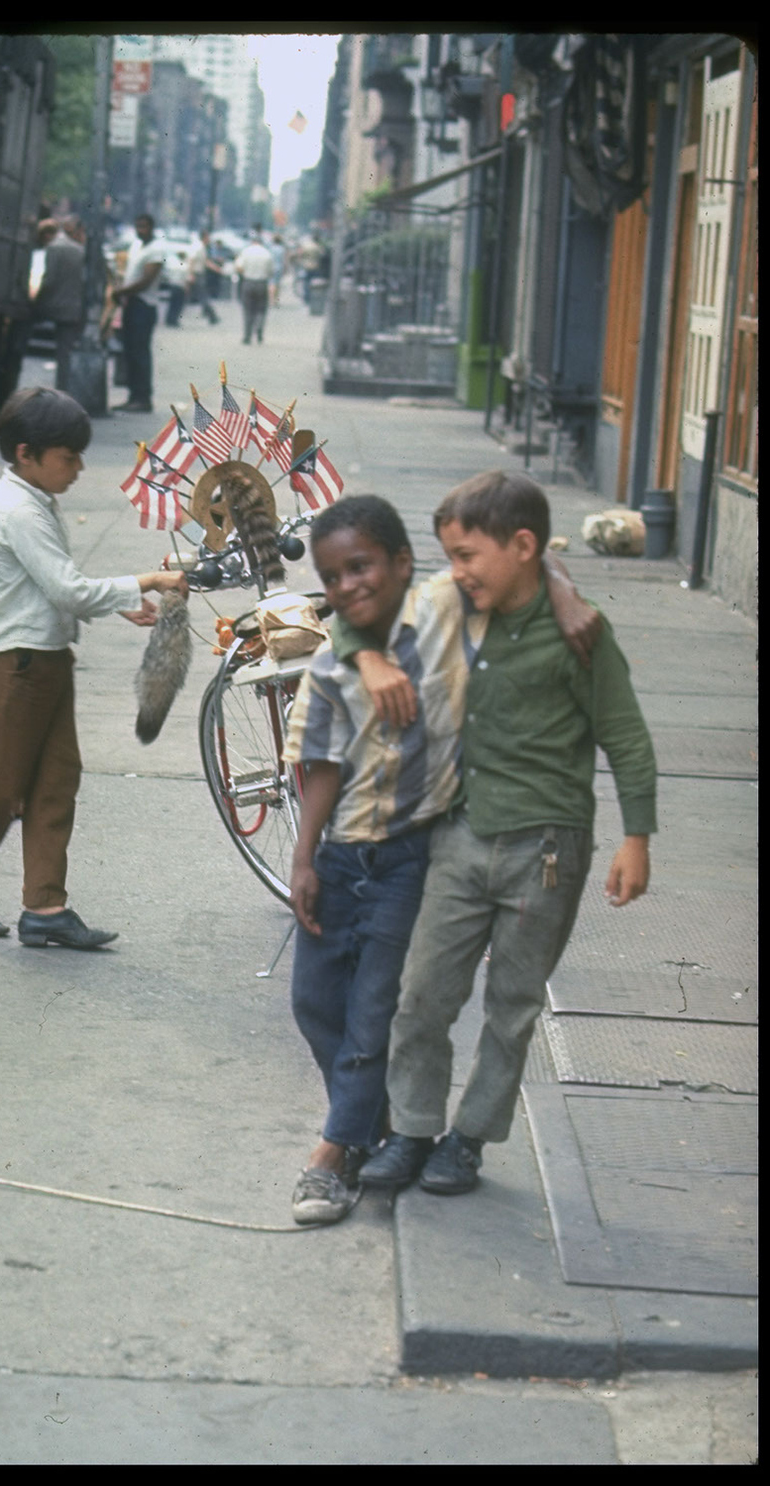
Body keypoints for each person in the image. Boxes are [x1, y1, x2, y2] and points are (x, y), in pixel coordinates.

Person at [281, 493, 601, 1227]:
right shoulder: (333, 661)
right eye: (332, 577)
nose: (348, 586)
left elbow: (522, 550)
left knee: (376, 1010)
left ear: (403, 564)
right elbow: (319, 765)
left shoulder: (443, 612)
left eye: (363, 567)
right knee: (313, 1001)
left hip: (409, 859)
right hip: (338, 857)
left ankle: (335, 1152)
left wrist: (566, 592)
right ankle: (374, 1122)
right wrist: (303, 858)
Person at [345, 470, 657, 1197]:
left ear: (521, 548)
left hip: (546, 851)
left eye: (465, 555)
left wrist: (636, 836)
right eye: (448, 556)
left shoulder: (579, 633)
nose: (455, 571)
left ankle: (469, 1139)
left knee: (512, 1007)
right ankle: (413, 1128)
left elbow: (627, 737)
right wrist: (365, 652)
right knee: (422, 993)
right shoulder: (454, 607)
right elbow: (354, 612)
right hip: (461, 836)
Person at [0, 386, 188, 949]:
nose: (78, 468)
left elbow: (49, 588)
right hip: (14, 665)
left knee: (55, 781)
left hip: (40, 660)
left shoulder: (33, 498)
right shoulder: (18, 507)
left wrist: (119, 603)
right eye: (68, 457)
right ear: (27, 453)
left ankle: (45, 904)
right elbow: (66, 588)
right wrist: (145, 581)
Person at [106, 213, 164, 413]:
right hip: (132, 303)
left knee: (140, 352)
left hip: (144, 305)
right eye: (138, 226)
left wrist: (122, 291)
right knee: (130, 351)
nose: (141, 230)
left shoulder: (156, 250)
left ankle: (142, 397)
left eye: (144, 226)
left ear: (151, 227)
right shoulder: (136, 245)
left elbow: (146, 281)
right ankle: (133, 396)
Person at [32, 217, 87, 391]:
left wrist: (37, 300)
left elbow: (49, 280)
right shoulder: (79, 249)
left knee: (63, 354)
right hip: (74, 308)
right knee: (66, 352)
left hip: (57, 307)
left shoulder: (54, 248)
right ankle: (65, 389)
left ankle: (62, 390)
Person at [233, 225, 274, 345]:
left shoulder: (246, 252)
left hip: (248, 282)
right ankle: (259, 330)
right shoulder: (267, 254)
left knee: (248, 310)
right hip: (262, 283)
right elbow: (271, 272)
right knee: (261, 309)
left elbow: (239, 267)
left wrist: (246, 273)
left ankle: (247, 336)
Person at [185, 231, 220, 324]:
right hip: (196, 274)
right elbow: (191, 260)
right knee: (202, 296)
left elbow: (205, 262)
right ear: (204, 237)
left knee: (199, 295)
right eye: (208, 238)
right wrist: (190, 274)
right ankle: (212, 316)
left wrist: (216, 268)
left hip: (199, 273)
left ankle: (210, 315)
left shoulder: (202, 247)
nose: (209, 240)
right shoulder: (198, 247)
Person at [269, 235, 286, 307]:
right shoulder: (282, 249)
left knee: (272, 284)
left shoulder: (270, 248)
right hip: (279, 267)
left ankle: (271, 301)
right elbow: (284, 260)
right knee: (278, 285)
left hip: (271, 267)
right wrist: (286, 268)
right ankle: (276, 300)